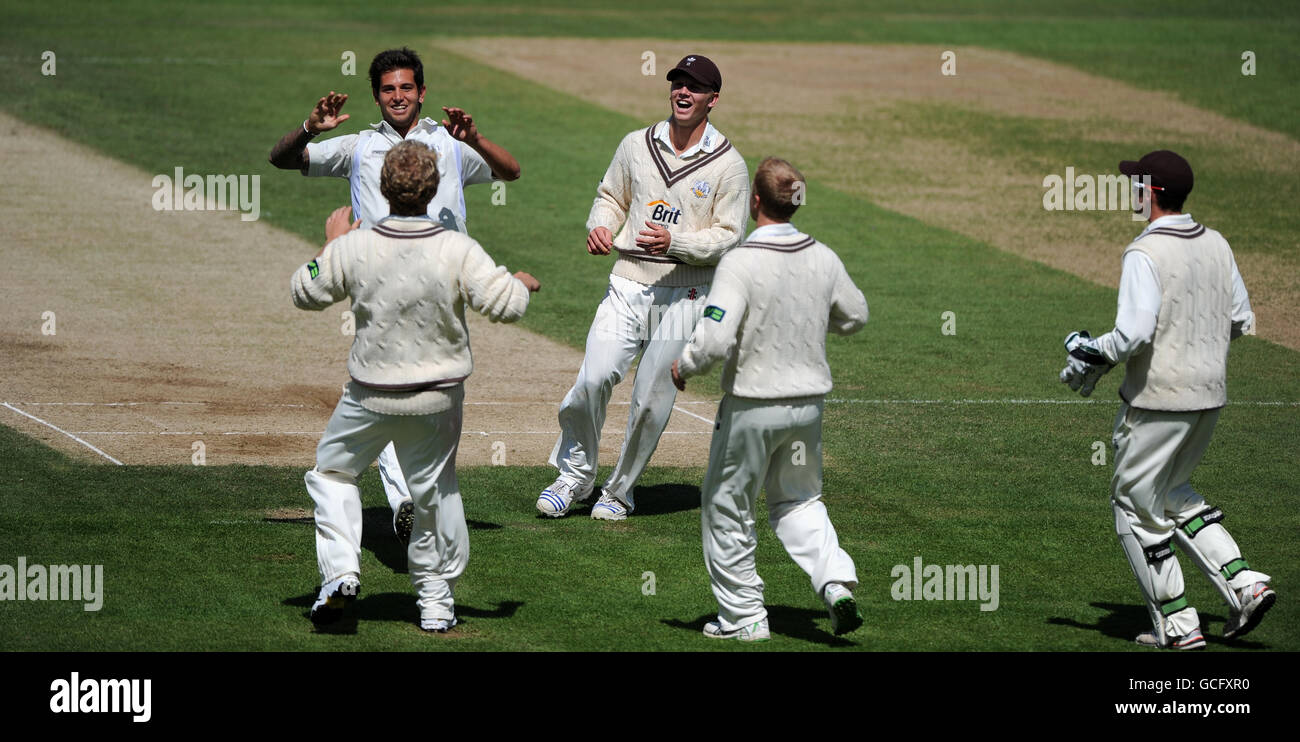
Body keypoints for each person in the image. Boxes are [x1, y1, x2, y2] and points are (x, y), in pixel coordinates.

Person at [271, 47, 522, 545]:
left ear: (422, 92)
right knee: (391, 383)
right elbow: (282, 159)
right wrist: (309, 127)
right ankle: (415, 504)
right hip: (378, 281)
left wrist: (475, 139)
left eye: (407, 87)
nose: (398, 96)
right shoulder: (359, 146)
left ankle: (415, 498)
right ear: (377, 96)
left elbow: (510, 172)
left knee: (407, 389)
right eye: (388, 89)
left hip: (440, 279)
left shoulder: (449, 143)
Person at [291, 140, 539, 631]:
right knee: (434, 492)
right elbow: (505, 306)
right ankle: (436, 603)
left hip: (371, 393)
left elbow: (304, 291)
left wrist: (331, 242)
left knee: (333, 475)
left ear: (384, 188)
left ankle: (341, 573)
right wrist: (521, 283)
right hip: (437, 395)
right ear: (433, 190)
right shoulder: (456, 247)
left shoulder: (355, 245)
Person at [1060, 150, 1275, 650]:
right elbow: (1240, 320)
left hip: (1158, 401)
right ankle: (1245, 584)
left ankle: (1179, 628)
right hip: (1208, 396)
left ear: (1152, 193)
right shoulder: (1217, 243)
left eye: (1136, 184)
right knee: (1173, 491)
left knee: (1134, 508)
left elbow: (1132, 334)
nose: (1130, 192)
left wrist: (1092, 351)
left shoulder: (1145, 252)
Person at [537, 54, 749, 521]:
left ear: (713, 99)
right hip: (629, 281)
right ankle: (574, 475)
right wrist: (600, 225)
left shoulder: (729, 165)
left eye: (694, 87)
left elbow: (729, 236)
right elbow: (611, 196)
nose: (683, 92)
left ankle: (619, 492)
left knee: (652, 399)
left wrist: (678, 243)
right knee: (593, 379)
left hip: (687, 294)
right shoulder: (637, 144)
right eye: (678, 83)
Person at [671, 157, 868, 642]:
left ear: (755, 201)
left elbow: (714, 340)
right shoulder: (823, 256)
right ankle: (835, 583)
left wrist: (684, 364)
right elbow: (855, 315)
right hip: (808, 407)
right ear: (797, 202)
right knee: (800, 501)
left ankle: (744, 618)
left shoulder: (741, 260)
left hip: (753, 406)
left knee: (726, 504)